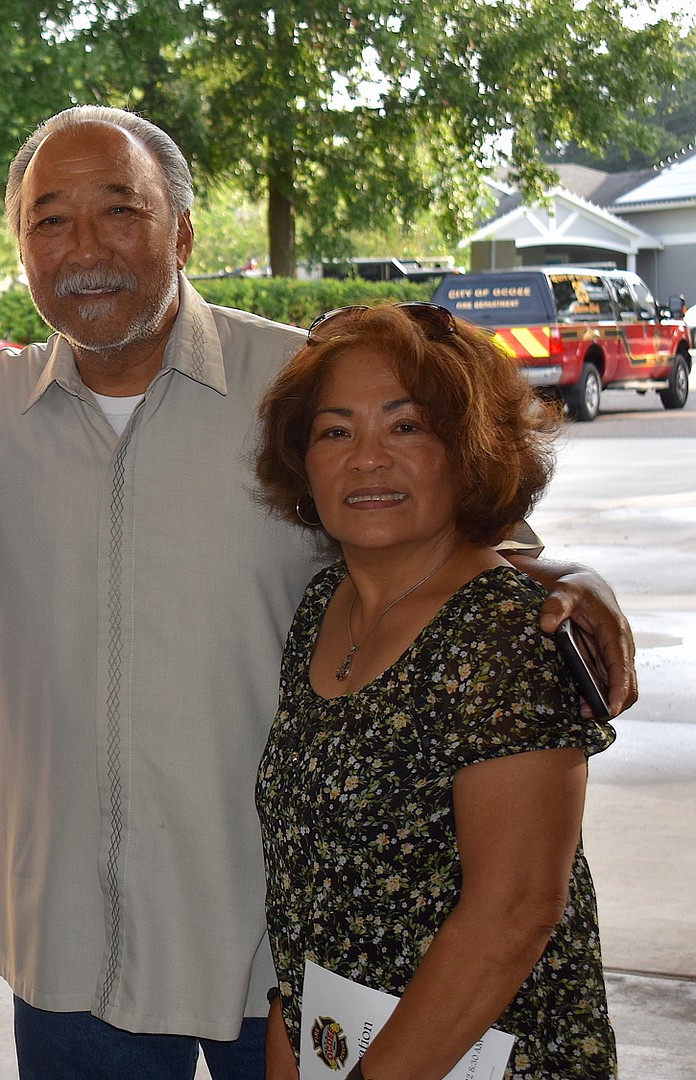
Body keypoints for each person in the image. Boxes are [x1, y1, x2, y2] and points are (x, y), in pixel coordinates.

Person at [0, 105, 635, 1079]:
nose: (84, 248)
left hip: (281, 958)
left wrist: (565, 573)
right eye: (49, 220)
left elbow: (457, 523)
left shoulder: (300, 386)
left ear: (181, 231)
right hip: (72, 950)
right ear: (19, 248)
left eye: (118, 211)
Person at [253, 302, 616, 1079]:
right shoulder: (324, 609)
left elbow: (516, 913)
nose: (368, 459)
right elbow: (303, 897)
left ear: (472, 448)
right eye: (335, 431)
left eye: (406, 427)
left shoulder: (506, 636)